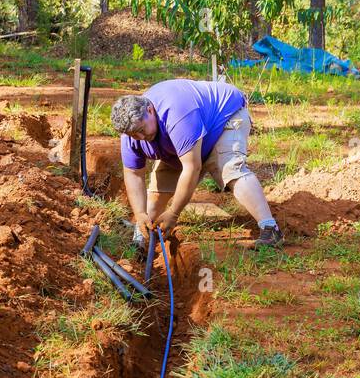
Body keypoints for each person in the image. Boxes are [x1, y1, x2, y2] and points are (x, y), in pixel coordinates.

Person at [110, 79, 283, 250]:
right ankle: (141, 238)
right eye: (133, 135)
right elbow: (133, 174)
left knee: (229, 168)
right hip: (183, 138)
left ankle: (270, 229)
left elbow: (192, 167)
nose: (139, 138)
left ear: (150, 110)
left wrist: (174, 213)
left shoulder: (177, 113)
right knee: (156, 196)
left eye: (141, 131)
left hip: (223, 119)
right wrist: (140, 214)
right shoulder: (131, 134)